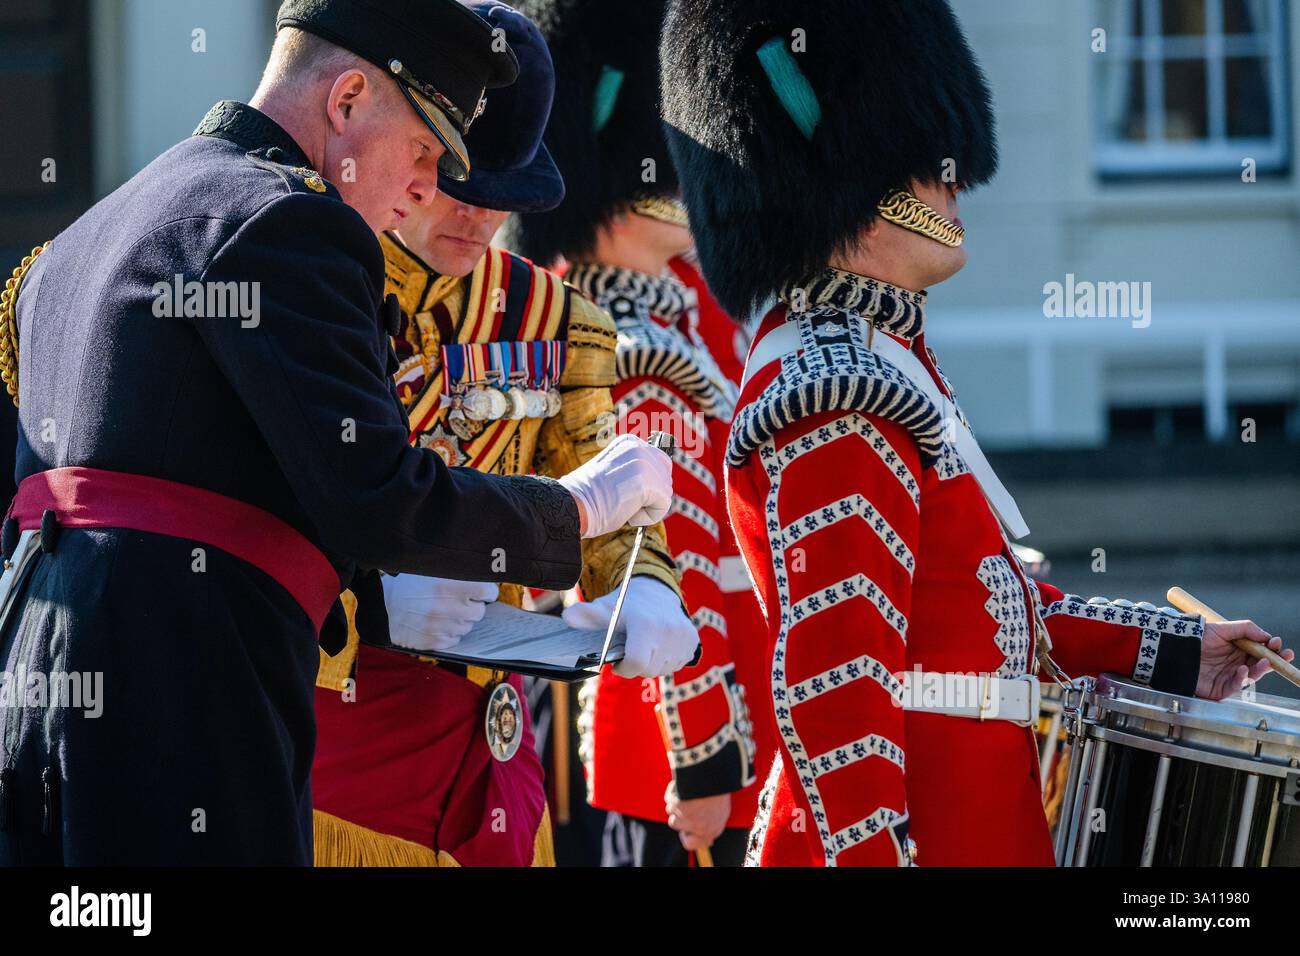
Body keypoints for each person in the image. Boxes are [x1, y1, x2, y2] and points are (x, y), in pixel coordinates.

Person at [0, 0, 673, 866]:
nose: (427, 189)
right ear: (348, 98)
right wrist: (579, 509)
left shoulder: (80, 236)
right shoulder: (293, 221)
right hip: (188, 706)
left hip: (41, 701)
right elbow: (378, 499)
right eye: (425, 151)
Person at [660, 0, 1292, 866]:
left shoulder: (884, 364)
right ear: (855, 175)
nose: (956, 180)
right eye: (929, 159)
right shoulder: (842, 390)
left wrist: (1180, 652)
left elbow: (992, 619)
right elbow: (834, 693)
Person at [310, 0, 696, 868]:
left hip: (498, 750)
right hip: (343, 747)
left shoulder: (558, 320)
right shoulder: (320, 288)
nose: (483, 222)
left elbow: (596, 468)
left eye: (508, 200)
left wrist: (643, 583)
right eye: (461, 188)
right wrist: (365, 597)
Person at [506, 0, 776, 866]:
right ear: (613, 200)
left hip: (667, 726)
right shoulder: (639, 357)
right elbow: (674, 569)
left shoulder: (677, 334)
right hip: (671, 737)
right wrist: (704, 757)